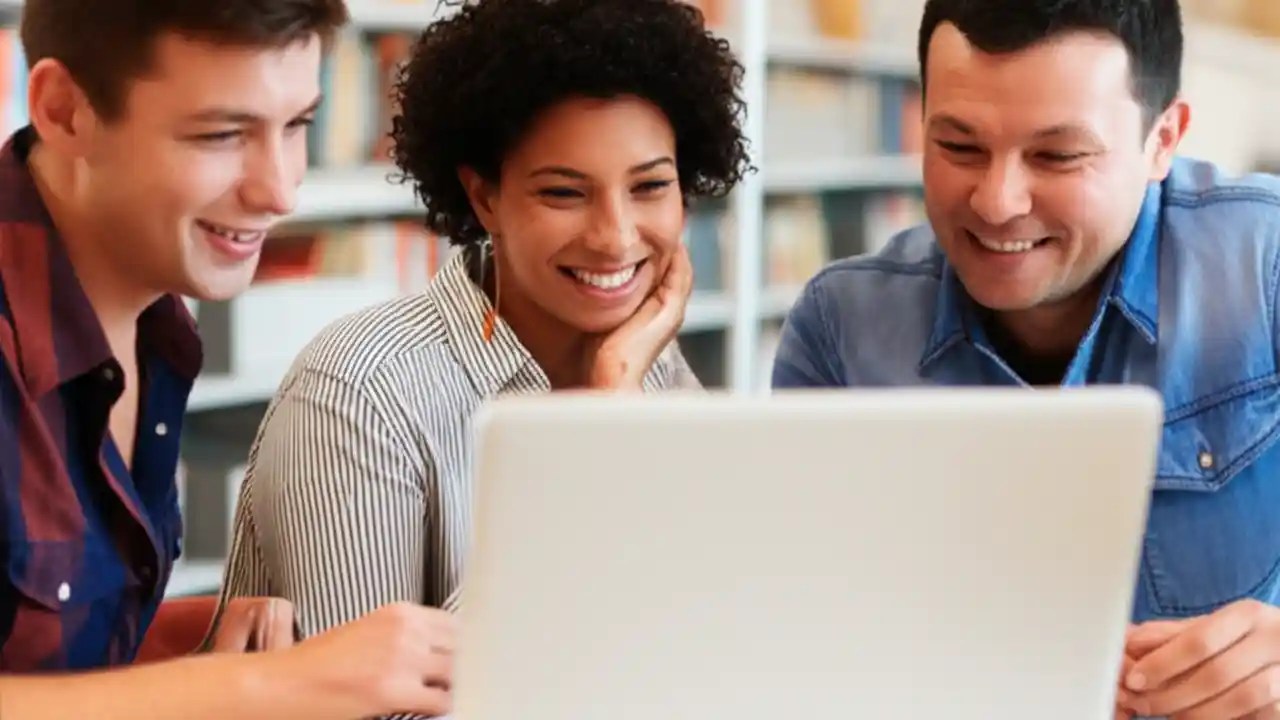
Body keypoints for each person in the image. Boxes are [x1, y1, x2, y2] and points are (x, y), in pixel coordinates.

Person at [772, 0, 1280, 717]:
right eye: (959, 147)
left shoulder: (1266, 264)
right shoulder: (840, 330)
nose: (997, 202)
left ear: (1162, 140)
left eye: (1056, 156)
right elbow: (802, 642)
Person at [216, 0, 748, 649]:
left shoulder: (651, 364)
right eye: (564, 192)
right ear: (484, 197)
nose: (615, 238)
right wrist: (600, 428)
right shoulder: (361, 392)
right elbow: (368, 696)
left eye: (650, 187)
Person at [0, 1, 455, 718]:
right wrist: (271, 686)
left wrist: (183, 649)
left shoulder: (156, 321)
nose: (280, 191)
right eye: (221, 135)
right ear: (64, 110)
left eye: (297, 125)